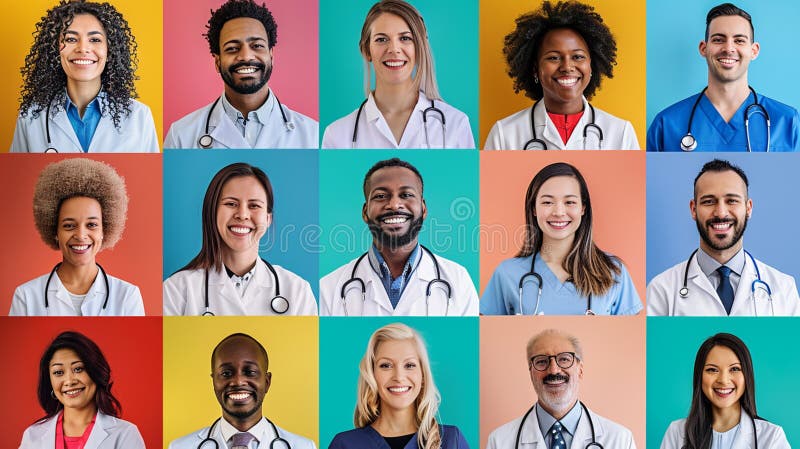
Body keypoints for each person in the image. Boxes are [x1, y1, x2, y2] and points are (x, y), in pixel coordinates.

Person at [319, 158, 478, 316]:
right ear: (365, 212)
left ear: (423, 209)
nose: (394, 205)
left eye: (406, 194)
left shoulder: (459, 280)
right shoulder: (329, 288)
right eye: (380, 196)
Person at [481, 162, 642, 315]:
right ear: (534, 209)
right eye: (547, 202)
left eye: (570, 202)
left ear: (583, 208)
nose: (559, 212)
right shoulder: (507, 273)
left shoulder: (613, 271)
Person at [647, 159, 800, 316]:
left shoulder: (784, 289)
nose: (720, 213)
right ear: (693, 209)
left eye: (732, 201)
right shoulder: (661, 290)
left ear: (748, 208)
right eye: (709, 202)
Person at [163, 162, 317, 315]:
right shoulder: (177, 290)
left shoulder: (298, 291)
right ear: (212, 213)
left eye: (254, 206)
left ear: (268, 219)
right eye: (231, 204)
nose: (242, 215)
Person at [484, 1, 639, 150]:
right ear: (535, 69)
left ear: (591, 65)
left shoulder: (621, 133)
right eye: (553, 58)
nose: (567, 67)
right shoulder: (504, 134)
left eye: (577, 57)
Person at [164, 0, 318, 149]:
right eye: (232, 48)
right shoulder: (180, 136)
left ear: (271, 56)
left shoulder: (312, 135)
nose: (246, 56)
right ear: (217, 62)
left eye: (257, 45)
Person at [321, 0, 475, 149]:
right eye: (381, 39)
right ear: (367, 51)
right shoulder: (336, 135)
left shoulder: (456, 124)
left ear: (419, 48)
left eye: (405, 38)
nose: (394, 49)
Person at [647, 3, 800, 152]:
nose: (728, 49)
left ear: (754, 51)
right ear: (703, 49)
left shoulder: (787, 122)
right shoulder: (667, 124)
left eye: (739, 40)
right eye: (718, 40)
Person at [10, 1, 158, 153]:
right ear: (55, 50)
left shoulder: (139, 116)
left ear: (110, 51)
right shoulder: (30, 117)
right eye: (71, 39)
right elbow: (16, 169)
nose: (83, 48)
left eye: (95, 40)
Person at [10, 159, 144, 316]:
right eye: (69, 225)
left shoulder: (127, 296)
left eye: (91, 225)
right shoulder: (26, 297)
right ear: (55, 231)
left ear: (104, 229)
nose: (80, 236)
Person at [486, 329, 636, 448]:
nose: (553, 370)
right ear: (531, 372)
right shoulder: (499, 441)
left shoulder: (620, 440)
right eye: (542, 361)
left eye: (564, 359)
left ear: (580, 370)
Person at [329, 323, 469, 449]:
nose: (399, 377)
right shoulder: (344, 444)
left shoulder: (452, 441)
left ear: (423, 376)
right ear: (372, 375)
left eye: (409, 365)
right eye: (386, 365)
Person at [168, 333, 316, 449]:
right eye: (226, 373)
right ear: (214, 382)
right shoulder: (179, 447)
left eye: (250, 372)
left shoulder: (304, 446)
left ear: (267, 382)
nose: (238, 382)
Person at [659, 333, 790, 449]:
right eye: (712, 370)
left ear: (747, 376)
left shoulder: (772, 436)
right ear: (699, 376)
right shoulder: (677, 432)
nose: (723, 380)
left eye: (734, 369)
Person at [18, 331, 145, 449]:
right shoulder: (32, 436)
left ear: (96, 372)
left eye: (78, 369)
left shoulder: (125, 434)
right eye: (58, 372)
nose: (69, 381)